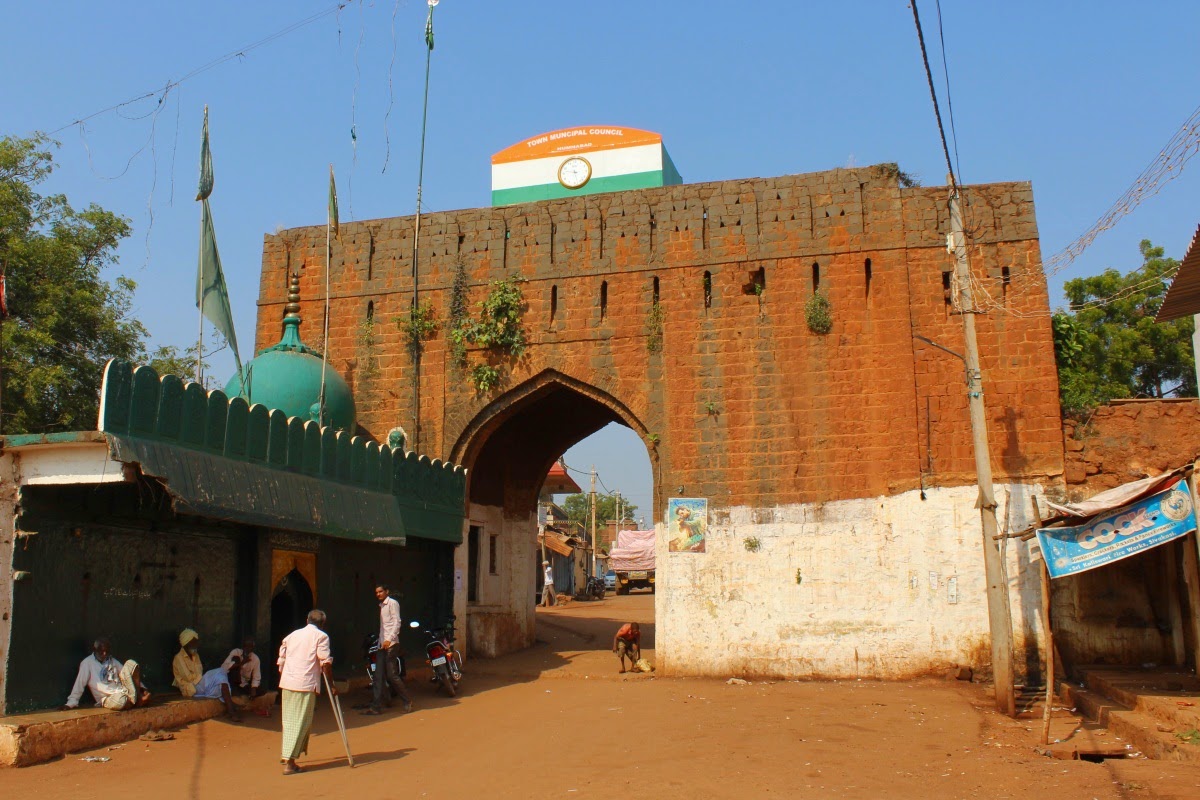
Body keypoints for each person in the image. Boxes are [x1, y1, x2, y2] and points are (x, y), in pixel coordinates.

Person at [278, 609, 334, 776]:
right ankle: (289, 762)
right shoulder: (322, 637)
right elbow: (325, 663)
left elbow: (281, 660)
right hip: (305, 684)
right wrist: (331, 685)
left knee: (289, 721)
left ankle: (289, 757)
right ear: (322, 623)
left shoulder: (292, 635)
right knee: (300, 722)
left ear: (307, 619)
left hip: (288, 682)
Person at [362, 584, 412, 716]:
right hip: (381, 645)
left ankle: (407, 701)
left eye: (380, 591)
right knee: (378, 676)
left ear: (386, 592)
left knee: (392, 675)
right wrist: (381, 641)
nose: (378, 594)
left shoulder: (392, 603)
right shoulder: (381, 606)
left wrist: (389, 639)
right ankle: (376, 707)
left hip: (391, 644)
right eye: (376, 592)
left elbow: (397, 622)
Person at [62, 638, 150, 711]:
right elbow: (79, 684)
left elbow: (127, 674)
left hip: (124, 691)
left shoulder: (112, 660)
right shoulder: (87, 663)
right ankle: (137, 701)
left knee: (131, 664)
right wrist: (70, 703)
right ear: (95, 650)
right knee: (121, 701)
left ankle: (137, 698)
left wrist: (142, 688)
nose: (104, 654)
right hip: (109, 698)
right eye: (101, 651)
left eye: (106, 651)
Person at [173, 628, 240, 720]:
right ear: (186, 643)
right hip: (191, 688)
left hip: (200, 684)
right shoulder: (178, 658)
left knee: (221, 679)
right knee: (220, 671)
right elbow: (189, 678)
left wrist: (204, 678)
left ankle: (231, 710)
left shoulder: (195, 655)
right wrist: (206, 677)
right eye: (194, 642)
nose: (196, 645)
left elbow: (199, 671)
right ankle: (231, 708)